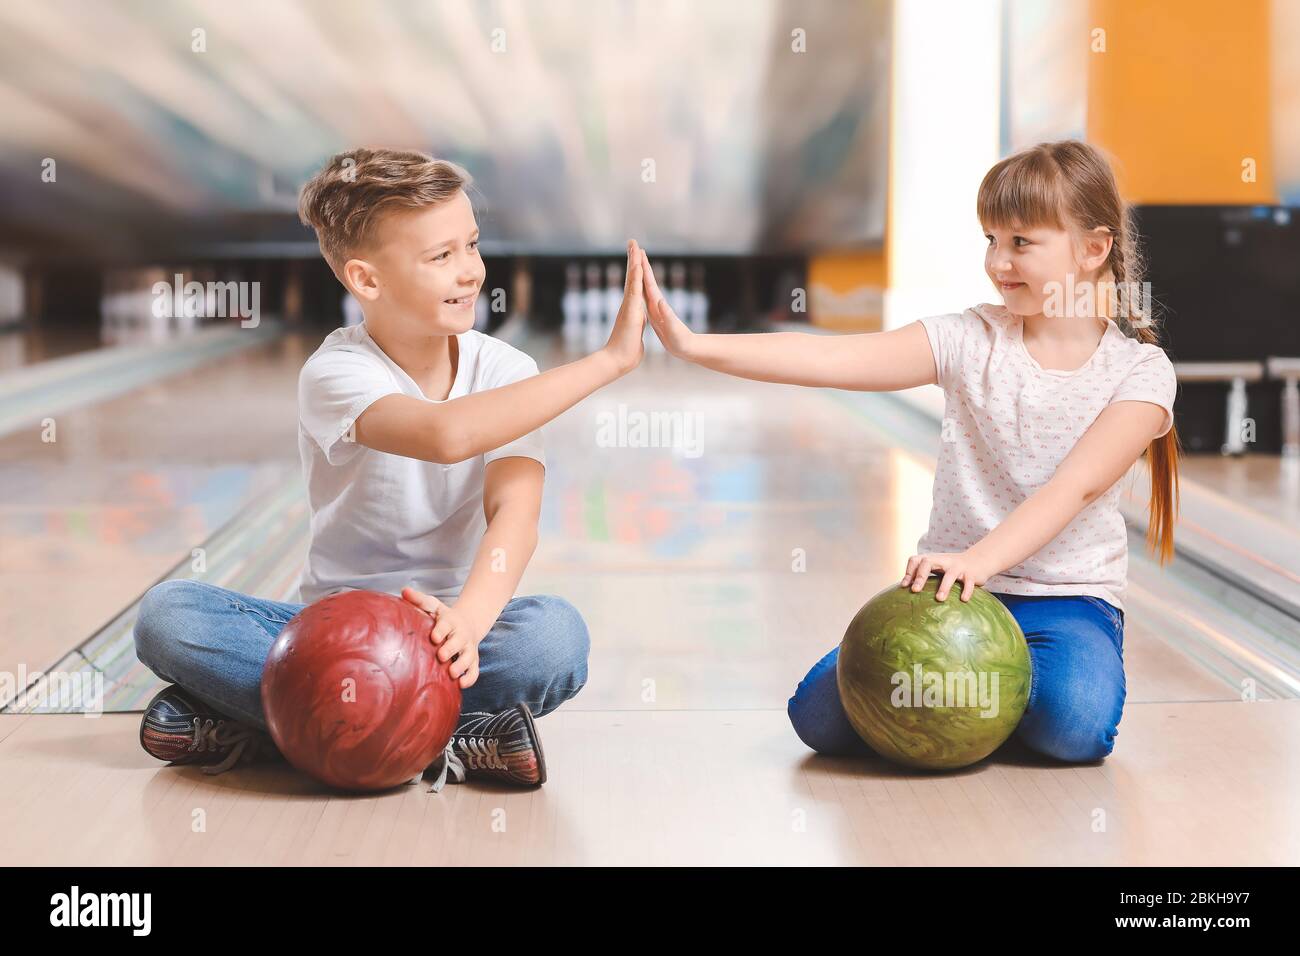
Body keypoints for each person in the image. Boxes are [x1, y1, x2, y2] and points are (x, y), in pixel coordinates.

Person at [641, 139, 1179, 764]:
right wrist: (693, 345)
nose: (997, 261)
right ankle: (987, 695)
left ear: (1093, 248)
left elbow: (1076, 486)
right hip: (956, 592)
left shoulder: (1140, 370)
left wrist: (976, 560)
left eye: (1020, 242)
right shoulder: (970, 338)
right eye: (990, 240)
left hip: (1068, 603)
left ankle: (987, 693)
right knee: (817, 719)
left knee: (1075, 729)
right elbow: (834, 358)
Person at [134, 147, 649, 789]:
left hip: (451, 636)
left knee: (554, 639)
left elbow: (515, 516)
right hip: (325, 636)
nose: (469, 272)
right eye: (441, 257)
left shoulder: (509, 373)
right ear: (367, 280)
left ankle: (274, 726)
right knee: (169, 617)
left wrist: (469, 623)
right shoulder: (335, 373)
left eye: (472, 245)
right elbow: (445, 434)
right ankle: (454, 739)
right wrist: (607, 363)